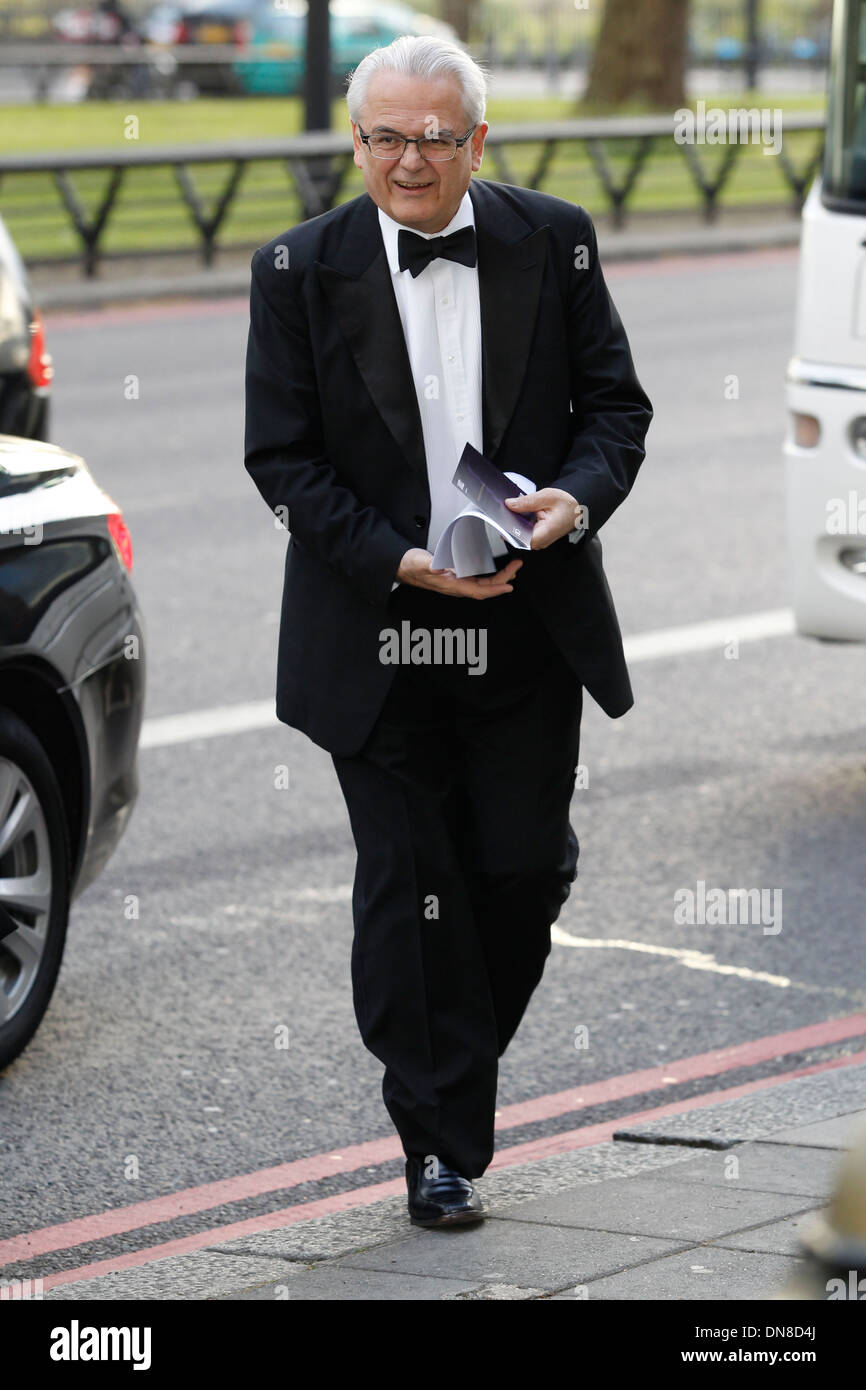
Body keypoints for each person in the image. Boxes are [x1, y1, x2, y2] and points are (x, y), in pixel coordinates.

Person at [244, 35, 652, 1228]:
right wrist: (398, 560)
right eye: (384, 136)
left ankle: (447, 1083)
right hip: (374, 631)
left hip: (524, 624)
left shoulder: (554, 238)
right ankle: (438, 1144)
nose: (408, 161)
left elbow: (614, 408)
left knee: (521, 868)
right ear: (355, 140)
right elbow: (282, 459)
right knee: (410, 884)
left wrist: (570, 500)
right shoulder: (295, 267)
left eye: (434, 137)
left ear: (477, 141)